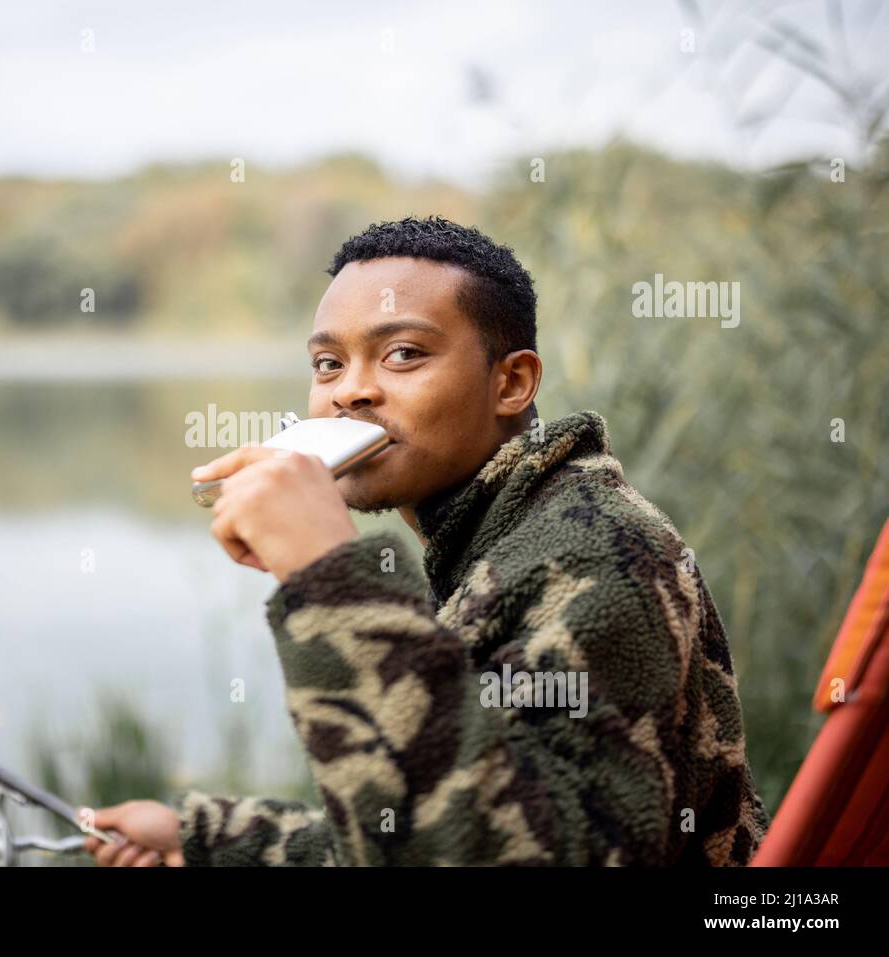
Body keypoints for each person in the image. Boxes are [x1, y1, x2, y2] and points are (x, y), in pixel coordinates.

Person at [83, 215, 770, 866]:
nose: (350, 392)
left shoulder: (597, 554)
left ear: (512, 382)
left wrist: (329, 575)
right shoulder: (498, 535)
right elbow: (422, 821)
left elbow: (499, 853)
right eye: (327, 364)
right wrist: (205, 842)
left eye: (403, 354)